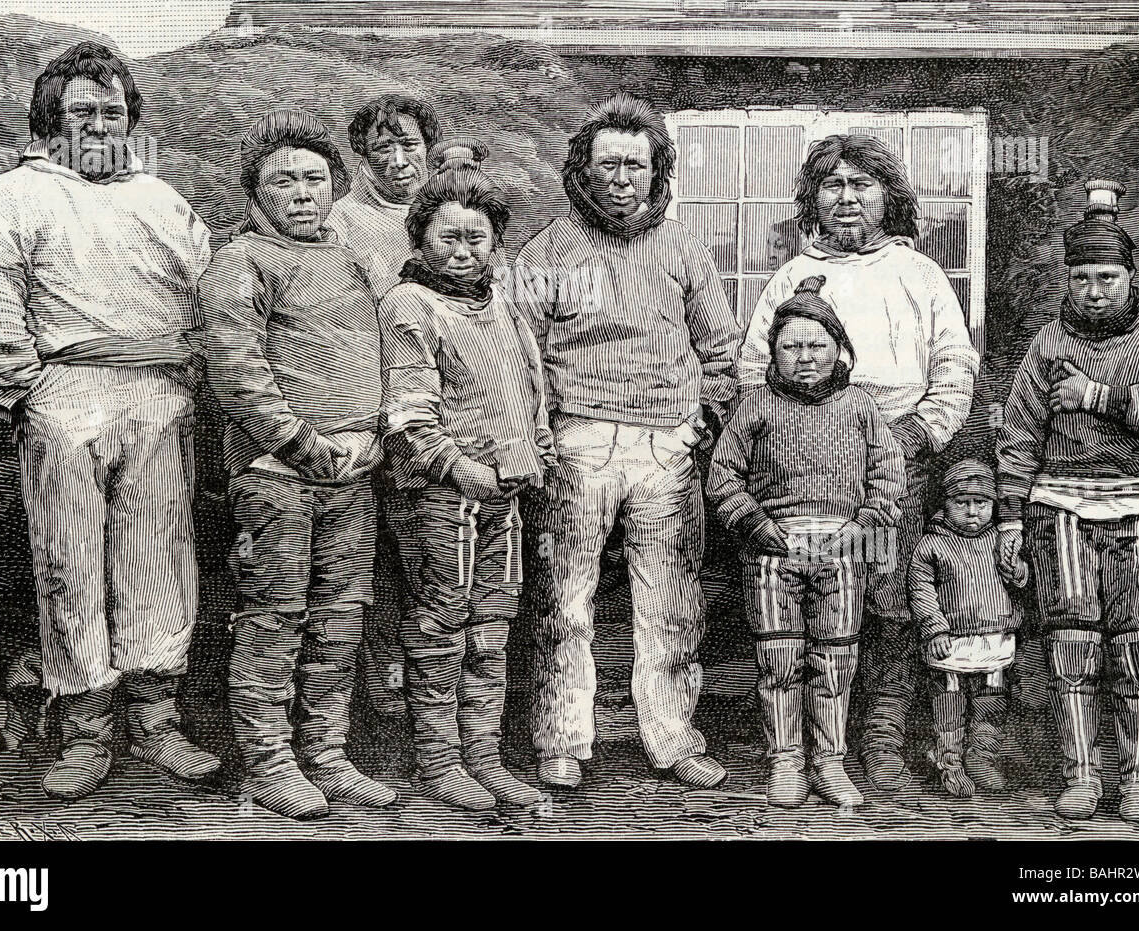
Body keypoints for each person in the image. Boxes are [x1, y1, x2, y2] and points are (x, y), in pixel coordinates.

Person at [0, 42, 219, 799]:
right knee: (70, 563)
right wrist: (27, 394)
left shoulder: (162, 199)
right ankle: (85, 728)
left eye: (112, 110)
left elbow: (207, 300)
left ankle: (157, 721)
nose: (99, 124)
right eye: (82, 111)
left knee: (157, 558)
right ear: (52, 120)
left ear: (131, 118)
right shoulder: (17, 191)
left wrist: (185, 375)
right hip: (65, 391)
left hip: (159, 391)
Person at [738, 133, 979, 791]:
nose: (847, 197)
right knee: (812, 614)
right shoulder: (792, 277)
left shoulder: (919, 274)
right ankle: (813, 752)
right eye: (833, 185)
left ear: (887, 197)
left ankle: (883, 741)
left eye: (862, 185)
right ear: (814, 198)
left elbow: (955, 366)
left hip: (899, 462)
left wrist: (915, 434)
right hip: (806, 474)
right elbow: (753, 369)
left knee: (893, 606)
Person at [513, 93, 740, 792]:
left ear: (656, 173)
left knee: (669, 601)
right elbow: (519, 352)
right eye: (607, 164)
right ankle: (561, 741)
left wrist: (697, 418)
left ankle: (673, 738)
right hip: (576, 443)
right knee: (564, 600)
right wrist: (544, 435)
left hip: (664, 445)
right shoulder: (549, 248)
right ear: (582, 170)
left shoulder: (683, 248)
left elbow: (722, 350)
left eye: (635, 166)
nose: (621, 179)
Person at [199, 108, 396, 819]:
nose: (303, 193)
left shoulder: (349, 259)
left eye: (315, 178)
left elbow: (385, 353)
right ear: (255, 192)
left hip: (355, 473)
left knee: (340, 616)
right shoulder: (239, 261)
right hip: (278, 477)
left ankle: (329, 754)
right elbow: (238, 373)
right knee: (275, 616)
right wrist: (304, 444)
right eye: (284, 181)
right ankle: (269, 764)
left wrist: (375, 433)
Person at [996, 180, 1139, 824]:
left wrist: (1101, 396)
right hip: (1061, 507)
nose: (1093, 289)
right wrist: (1007, 517)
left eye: (1107, 275)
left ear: (1132, 275)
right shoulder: (1048, 343)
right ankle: (1082, 772)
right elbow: (1022, 431)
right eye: (1082, 276)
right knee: (1073, 642)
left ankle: (1137, 776)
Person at [379, 159, 554, 810]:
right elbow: (406, 413)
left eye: (475, 238)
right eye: (447, 237)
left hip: (504, 493)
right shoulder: (409, 304)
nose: (462, 250)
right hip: (442, 496)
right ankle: (439, 761)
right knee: (440, 625)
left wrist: (536, 445)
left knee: (491, 628)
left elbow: (528, 383)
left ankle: (484, 756)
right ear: (421, 238)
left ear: (494, 242)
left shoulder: (499, 300)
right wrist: (459, 466)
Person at [707, 277, 905, 808]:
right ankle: (787, 759)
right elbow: (723, 477)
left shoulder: (861, 407)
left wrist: (860, 527)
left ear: (838, 349)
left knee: (836, 661)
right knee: (779, 659)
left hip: (844, 551)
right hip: (771, 550)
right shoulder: (754, 407)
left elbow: (888, 478)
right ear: (773, 352)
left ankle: (831, 759)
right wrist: (755, 524)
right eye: (791, 346)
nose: (805, 357)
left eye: (816, 345)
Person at [908, 460, 1027, 799]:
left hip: (995, 637)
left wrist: (1016, 571)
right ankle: (950, 761)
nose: (973, 512)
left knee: (991, 699)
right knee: (950, 698)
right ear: (945, 503)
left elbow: (1024, 583)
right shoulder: (932, 546)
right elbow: (921, 590)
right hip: (952, 639)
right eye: (962, 503)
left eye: (982, 503)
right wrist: (935, 630)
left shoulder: (1001, 541)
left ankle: (982, 756)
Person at [328, 93, 442, 297]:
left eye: (409, 145)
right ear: (365, 157)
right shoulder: (336, 222)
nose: (399, 161)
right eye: (382, 148)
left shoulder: (460, 211)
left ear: (429, 149)